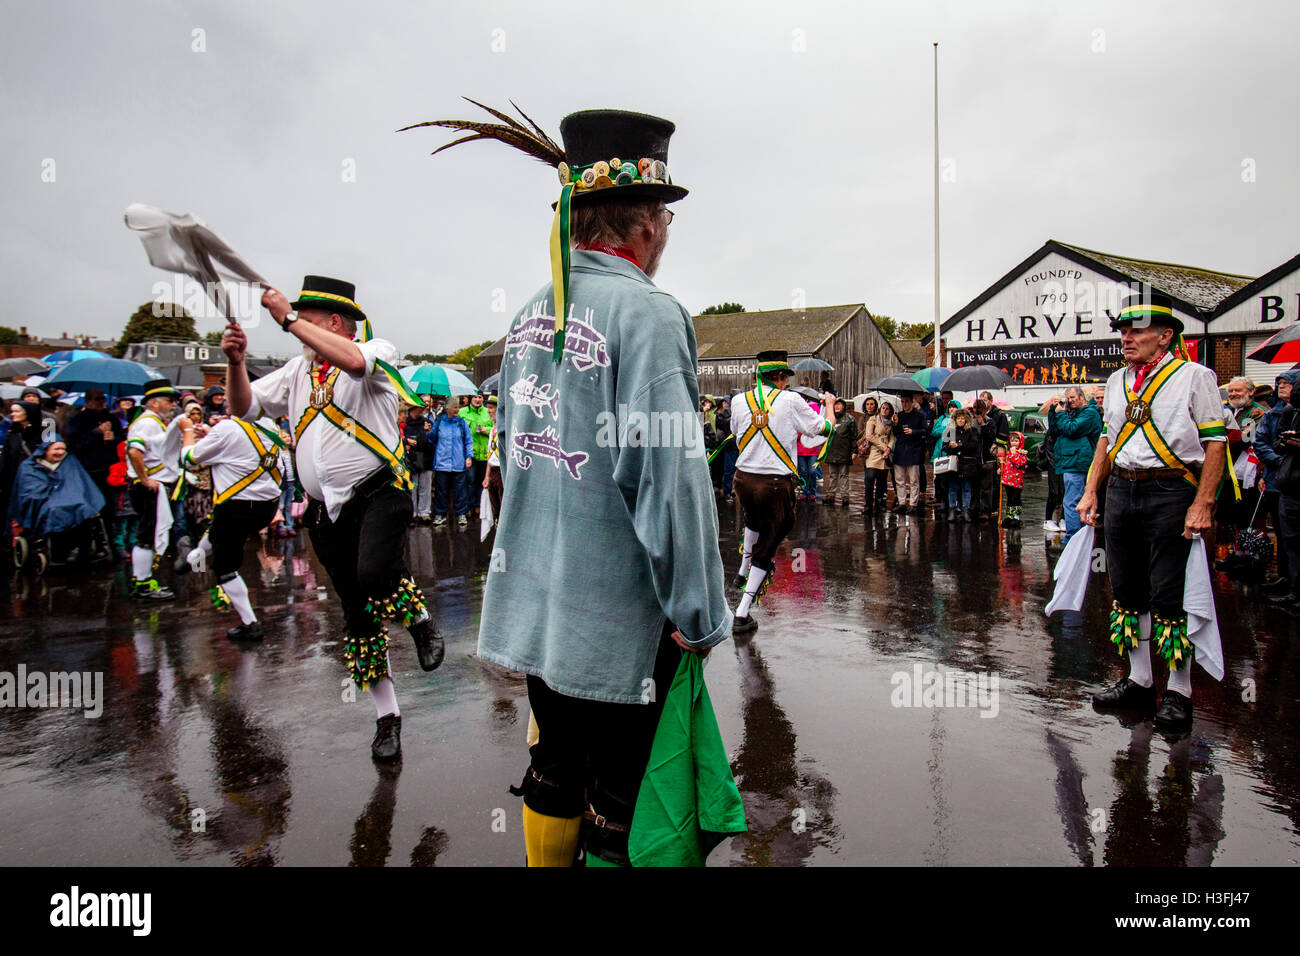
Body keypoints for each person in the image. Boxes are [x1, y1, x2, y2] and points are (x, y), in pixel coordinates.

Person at [436, 106, 734, 866]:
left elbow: (509, 457)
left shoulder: (532, 312)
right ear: (650, 224)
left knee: (556, 768)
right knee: (621, 796)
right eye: (666, 219)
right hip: (618, 621)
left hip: (539, 607)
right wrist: (698, 613)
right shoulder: (650, 313)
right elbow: (669, 481)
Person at [222, 274, 444, 763]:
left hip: (381, 494)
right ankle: (388, 718)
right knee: (358, 614)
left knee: (376, 573)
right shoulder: (295, 373)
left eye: (309, 319)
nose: (298, 330)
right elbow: (242, 406)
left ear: (335, 323)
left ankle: (420, 620)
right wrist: (235, 364)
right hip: (325, 514)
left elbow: (356, 362)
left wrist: (286, 318)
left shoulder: (374, 351)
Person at [1077, 289, 1227, 730]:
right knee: (1126, 591)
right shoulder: (1115, 381)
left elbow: (1216, 443)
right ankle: (1140, 681)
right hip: (1122, 490)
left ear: (1164, 336)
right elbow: (1107, 440)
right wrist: (1091, 492)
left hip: (1171, 490)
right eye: (1122, 331)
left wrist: (1203, 503)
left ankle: (1180, 691)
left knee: (1170, 595)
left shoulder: (1195, 376)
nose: (1126, 337)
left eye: (1136, 331)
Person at [732, 350, 835, 630]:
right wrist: (829, 405)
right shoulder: (791, 400)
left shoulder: (739, 400)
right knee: (772, 539)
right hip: (775, 483)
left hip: (743, 478)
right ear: (778, 377)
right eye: (784, 378)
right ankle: (742, 612)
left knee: (753, 521)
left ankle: (742, 571)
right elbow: (822, 430)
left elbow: (737, 434)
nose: (785, 384)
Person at [179, 413, 285, 640]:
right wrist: (212, 436)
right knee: (219, 534)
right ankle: (191, 559)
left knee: (225, 566)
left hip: (236, 507)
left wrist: (187, 431)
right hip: (266, 507)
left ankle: (250, 624)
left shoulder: (227, 427)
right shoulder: (270, 426)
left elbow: (188, 459)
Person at [125, 383, 184, 600]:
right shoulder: (147, 423)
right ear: (154, 402)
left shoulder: (155, 422)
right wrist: (145, 479)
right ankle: (143, 584)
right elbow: (134, 451)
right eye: (169, 400)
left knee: (148, 533)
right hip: (149, 487)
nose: (173, 405)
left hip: (153, 485)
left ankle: (144, 579)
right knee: (147, 534)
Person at [7, 438, 105, 565]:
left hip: (72, 499)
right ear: (45, 450)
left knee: (84, 508)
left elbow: (78, 483)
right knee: (54, 511)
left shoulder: (70, 462)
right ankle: (58, 552)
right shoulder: (29, 467)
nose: (60, 452)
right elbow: (29, 490)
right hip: (45, 502)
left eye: (63, 449)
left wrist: (67, 494)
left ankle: (84, 549)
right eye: (56, 449)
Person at [1253, 370, 1300, 597]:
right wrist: (1280, 459)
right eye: (1279, 383)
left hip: (1290, 478)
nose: (1282, 387)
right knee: (1285, 535)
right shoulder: (1276, 414)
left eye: (1287, 383)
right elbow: (1265, 443)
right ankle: (1287, 578)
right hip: (1279, 480)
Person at [1045, 385, 1101, 541]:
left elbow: (1071, 429)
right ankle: (1079, 536)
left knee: (1072, 501)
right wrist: (1053, 411)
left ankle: (1074, 537)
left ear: (1082, 396)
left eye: (1072, 398)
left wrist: (1061, 414)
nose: (1069, 401)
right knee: (1073, 500)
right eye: (1067, 398)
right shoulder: (1074, 413)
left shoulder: (1089, 413)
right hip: (1071, 462)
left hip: (1078, 463)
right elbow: (1055, 431)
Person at [429, 399, 472, 529]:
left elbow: (468, 441)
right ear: (447, 408)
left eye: (458, 407)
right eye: (454, 407)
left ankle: (461, 514)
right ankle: (440, 514)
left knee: (460, 490)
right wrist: (428, 431)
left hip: (459, 463)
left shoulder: (461, 423)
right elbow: (432, 439)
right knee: (441, 491)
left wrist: (469, 457)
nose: (457, 410)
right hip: (442, 462)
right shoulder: (440, 422)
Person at [892, 392, 927, 514]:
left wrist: (913, 432)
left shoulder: (919, 415)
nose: (904, 404)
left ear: (912, 402)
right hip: (900, 450)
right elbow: (895, 433)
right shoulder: (899, 415)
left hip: (914, 450)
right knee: (900, 479)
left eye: (907, 401)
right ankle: (902, 502)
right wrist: (895, 424)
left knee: (913, 480)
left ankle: (913, 503)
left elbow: (925, 431)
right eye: (902, 401)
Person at [945, 407, 981, 522]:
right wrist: (950, 446)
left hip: (967, 464)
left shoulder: (972, 431)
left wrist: (959, 446)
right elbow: (943, 447)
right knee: (952, 487)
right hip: (953, 464)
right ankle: (952, 510)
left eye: (962, 418)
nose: (960, 420)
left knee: (966, 487)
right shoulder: (949, 431)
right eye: (958, 418)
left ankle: (966, 510)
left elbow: (974, 445)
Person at [858, 400, 894, 515]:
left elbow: (892, 437)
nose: (884, 410)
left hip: (886, 454)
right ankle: (868, 504)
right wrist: (884, 447)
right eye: (883, 408)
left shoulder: (891, 423)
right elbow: (869, 436)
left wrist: (889, 448)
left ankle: (880, 503)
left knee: (882, 480)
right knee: (870, 478)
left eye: (887, 408)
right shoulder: (873, 419)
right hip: (874, 452)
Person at [462, 391, 493, 517]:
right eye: (475, 397)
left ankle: (479, 506)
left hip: (485, 453)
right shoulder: (463, 412)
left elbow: (495, 426)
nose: (477, 399)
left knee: (482, 481)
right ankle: (469, 505)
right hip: (471, 453)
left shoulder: (487, 412)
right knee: (470, 480)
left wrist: (487, 430)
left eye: (480, 397)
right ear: (470, 398)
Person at [403, 404, 434, 523]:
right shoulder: (406, 423)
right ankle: (412, 512)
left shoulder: (426, 422)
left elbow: (431, 440)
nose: (419, 411)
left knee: (425, 487)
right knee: (412, 487)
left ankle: (424, 512)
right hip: (412, 460)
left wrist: (427, 431)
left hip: (425, 458)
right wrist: (407, 441)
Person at [823, 398, 857, 506]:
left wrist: (854, 451)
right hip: (832, 451)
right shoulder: (830, 418)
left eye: (839, 405)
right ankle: (830, 495)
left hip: (844, 451)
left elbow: (854, 436)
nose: (837, 407)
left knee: (844, 475)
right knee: (832, 475)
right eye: (835, 405)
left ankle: (845, 496)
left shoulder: (850, 419)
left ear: (843, 406)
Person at [930, 398, 959, 516]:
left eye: (954, 406)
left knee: (953, 480)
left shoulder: (959, 420)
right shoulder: (942, 419)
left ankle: (954, 503)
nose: (952, 409)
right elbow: (934, 432)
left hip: (953, 454)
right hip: (941, 452)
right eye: (950, 406)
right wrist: (945, 429)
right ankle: (944, 501)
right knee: (941, 479)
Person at [481, 394, 502, 526]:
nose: (488, 411)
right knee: (495, 507)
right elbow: (490, 455)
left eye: (491, 408)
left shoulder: (504, 429)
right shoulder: (492, 430)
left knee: (502, 505)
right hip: (493, 471)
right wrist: (487, 477)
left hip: (502, 472)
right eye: (488, 408)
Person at [1000, 431, 1029, 527]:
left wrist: (1013, 455)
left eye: (1016, 441)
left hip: (1016, 481)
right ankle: (1010, 515)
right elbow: (1007, 463)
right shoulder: (1009, 452)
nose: (1014, 443)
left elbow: (1019, 463)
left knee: (1016, 498)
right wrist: (1001, 469)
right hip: (1008, 480)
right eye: (1012, 441)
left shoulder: (1022, 453)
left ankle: (1016, 516)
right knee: (1009, 498)